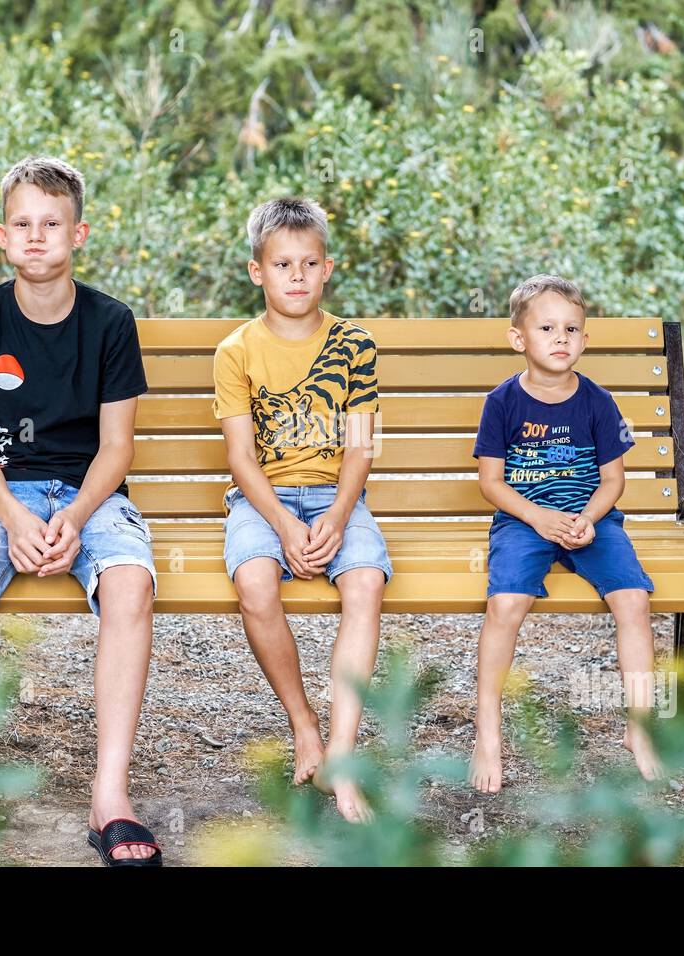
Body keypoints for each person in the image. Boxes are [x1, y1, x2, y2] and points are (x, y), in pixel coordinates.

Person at [0, 156, 161, 865]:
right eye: (23, 224)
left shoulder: (110, 322)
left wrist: (72, 522)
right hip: (0, 492)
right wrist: (14, 516)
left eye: (52, 223)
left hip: (91, 497)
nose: (37, 236)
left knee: (131, 584)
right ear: (1, 237)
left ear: (79, 233)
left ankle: (110, 796)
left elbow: (116, 449)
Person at [212, 196, 392, 823]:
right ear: (257, 271)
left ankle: (342, 758)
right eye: (282, 264)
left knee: (366, 582)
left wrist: (340, 516)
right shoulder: (236, 351)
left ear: (327, 269)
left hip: (338, 497)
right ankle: (304, 723)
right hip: (262, 500)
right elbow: (241, 459)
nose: (296, 276)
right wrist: (285, 524)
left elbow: (361, 448)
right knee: (256, 585)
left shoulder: (355, 345)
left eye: (308, 264)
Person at [468, 273, 661, 795]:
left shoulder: (598, 402)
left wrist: (590, 518)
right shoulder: (502, 402)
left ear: (585, 339)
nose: (560, 338)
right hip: (524, 522)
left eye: (572, 328)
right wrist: (537, 518)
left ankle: (639, 728)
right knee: (505, 605)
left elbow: (614, 479)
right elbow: (490, 483)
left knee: (634, 601)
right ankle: (488, 731)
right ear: (518, 339)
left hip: (589, 520)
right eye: (547, 327)